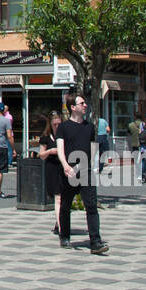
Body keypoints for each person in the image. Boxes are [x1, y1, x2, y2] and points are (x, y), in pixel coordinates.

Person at [56, 93, 107, 255]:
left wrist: (91, 165)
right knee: (65, 206)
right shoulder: (64, 127)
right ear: (73, 107)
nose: (85, 105)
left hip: (85, 171)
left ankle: (95, 241)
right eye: (82, 103)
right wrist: (65, 165)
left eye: (85, 103)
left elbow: (93, 148)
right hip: (69, 171)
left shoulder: (89, 127)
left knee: (91, 206)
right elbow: (60, 148)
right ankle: (64, 236)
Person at [39, 111, 65, 234]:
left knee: (65, 198)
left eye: (59, 124)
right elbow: (41, 155)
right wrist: (50, 151)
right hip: (52, 168)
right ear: (50, 124)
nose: (57, 127)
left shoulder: (65, 135)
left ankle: (58, 222)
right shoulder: (46, 137)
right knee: (58, 197)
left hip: (64, 167)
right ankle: (61, 227)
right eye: (55, 125)